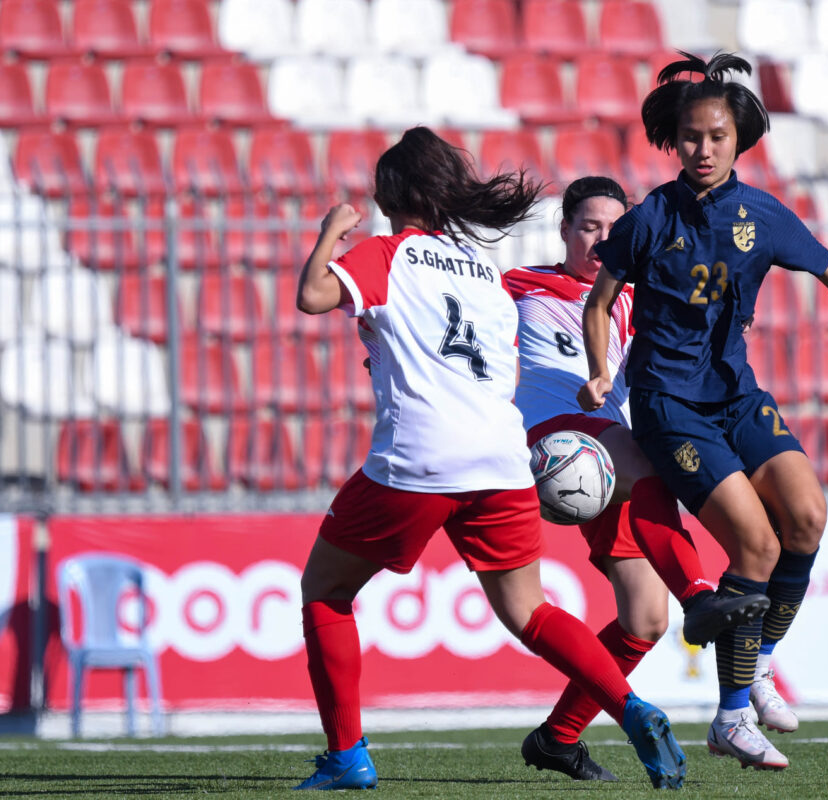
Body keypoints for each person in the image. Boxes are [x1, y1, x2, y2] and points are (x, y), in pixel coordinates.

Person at [579, 53, 828, 770]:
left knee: (808, 517)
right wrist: (603, 369)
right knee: (754, 546)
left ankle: (755, 658)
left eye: (717, 136)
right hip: (670, 404)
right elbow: (600, 304)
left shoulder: (763, 214)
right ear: (675, 138)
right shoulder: (648, 219)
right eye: (691, 136)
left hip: (737, 396)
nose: (703, 148)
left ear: (739, 140)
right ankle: (731, 716)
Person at [292, 127, 686, 790]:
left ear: (393, 194)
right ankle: (630, 705)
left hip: (418, 459)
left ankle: (347, 757)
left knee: (324, 594)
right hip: (502, 462)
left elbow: (312, 298)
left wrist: (331, 234)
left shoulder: (389, 252)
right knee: (530, 612)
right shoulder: (481, 274)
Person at [506, 176, 770, 782]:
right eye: (589, 227)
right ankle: (701, 595)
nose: (601, 240)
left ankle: (557, 738)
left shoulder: (638, 295)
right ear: (564, 229)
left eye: (612, 230)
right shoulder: (517, 287)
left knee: (644, 619)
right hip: (558, 440)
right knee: (652, 469)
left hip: (610, 457)